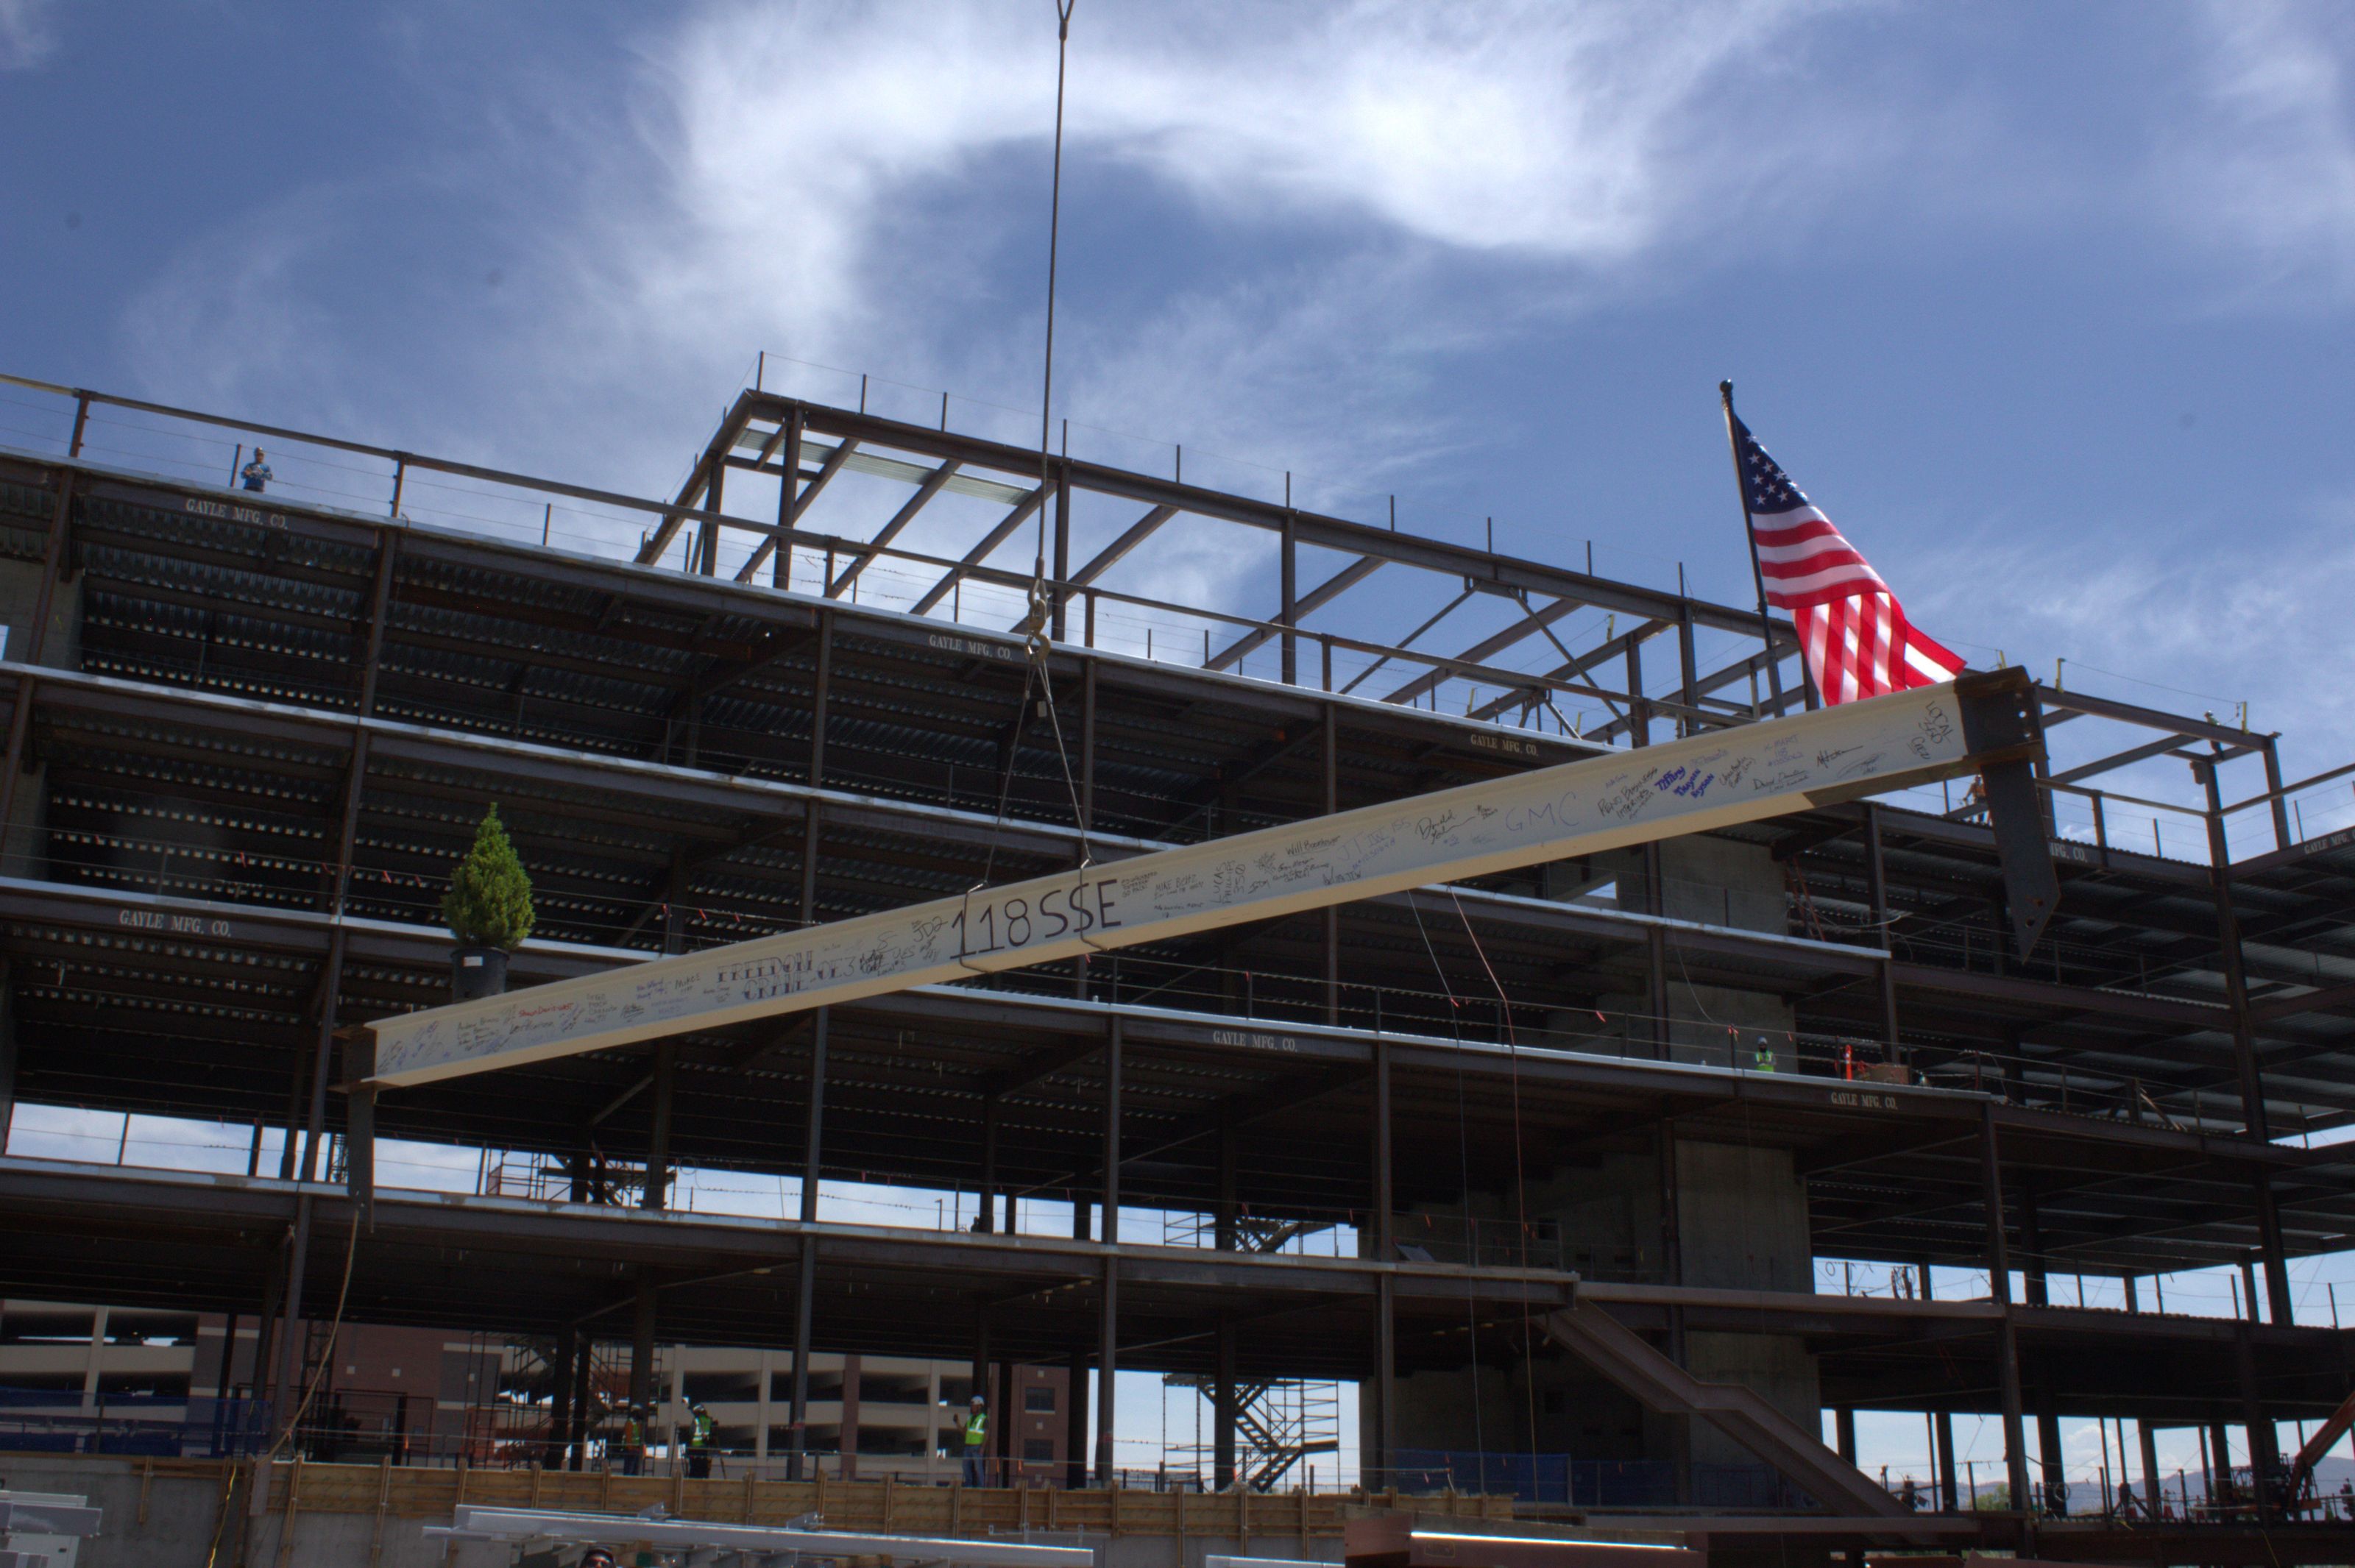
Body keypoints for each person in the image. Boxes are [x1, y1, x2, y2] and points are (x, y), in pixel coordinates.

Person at [957, 1393, 989, 1485]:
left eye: (973, 1405)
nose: (972, 1407)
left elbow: (987, 1434)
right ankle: (968, 1485)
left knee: (978, 1468)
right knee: (965, 1466)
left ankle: (980, 1487)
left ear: (979, 1406)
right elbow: (964, 1432)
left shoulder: (984, 1419)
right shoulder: (970, 1418)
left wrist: (982, 1447)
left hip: (977, 1447)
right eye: (971, 1405)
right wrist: (957, 1423)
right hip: (968, 1446)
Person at [687, 1400, 715, 1479]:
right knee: (703, 1469)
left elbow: (691, 1432)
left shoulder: (696, 1421)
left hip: (695, 1449)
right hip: (704, 1449)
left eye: (693, 1411)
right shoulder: (709, 1420)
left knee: (694, 1470)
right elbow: (712, 1434)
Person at [620, 1404, 645, 1477]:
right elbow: (629, 1437)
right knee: (629, 1470)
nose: (641, 1414)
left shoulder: (637, 1423)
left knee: (635, 1471)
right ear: (635, 1412)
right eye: (639, 1412)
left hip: (636, 1451)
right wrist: (631, 1449)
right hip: (630, 1451)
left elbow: (638, 1437)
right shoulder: (630, 1423)